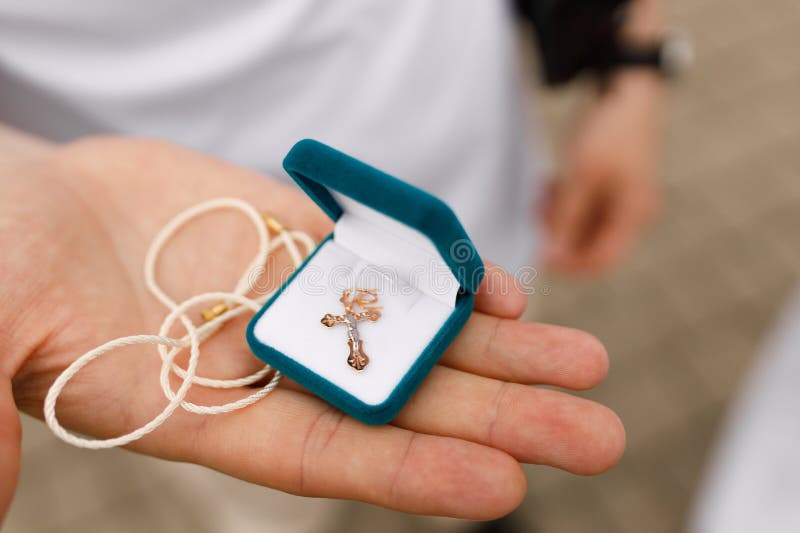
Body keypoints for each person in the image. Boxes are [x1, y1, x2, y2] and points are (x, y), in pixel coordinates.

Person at [0, 0, 664, 528]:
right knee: (269, 496)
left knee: (479, 427)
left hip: (482, 177)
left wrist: (635, 58)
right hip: (167, 265)